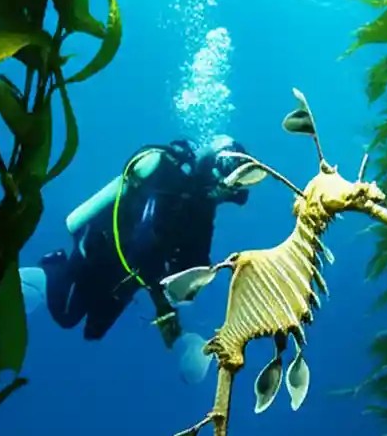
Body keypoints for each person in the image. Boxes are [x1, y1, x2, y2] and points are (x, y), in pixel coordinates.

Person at [19, 134, 264, 383]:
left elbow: (194, 264)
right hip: (101, 252)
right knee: (67, 314)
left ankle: (188, 342)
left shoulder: (202, 210)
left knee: (92, 329)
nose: (223, 187)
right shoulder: (167, 172)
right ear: (213, 160)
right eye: (225, 172)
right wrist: (163, 302)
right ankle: (50, 268)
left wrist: (188, 295)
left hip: (127, 278)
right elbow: (144, 244)